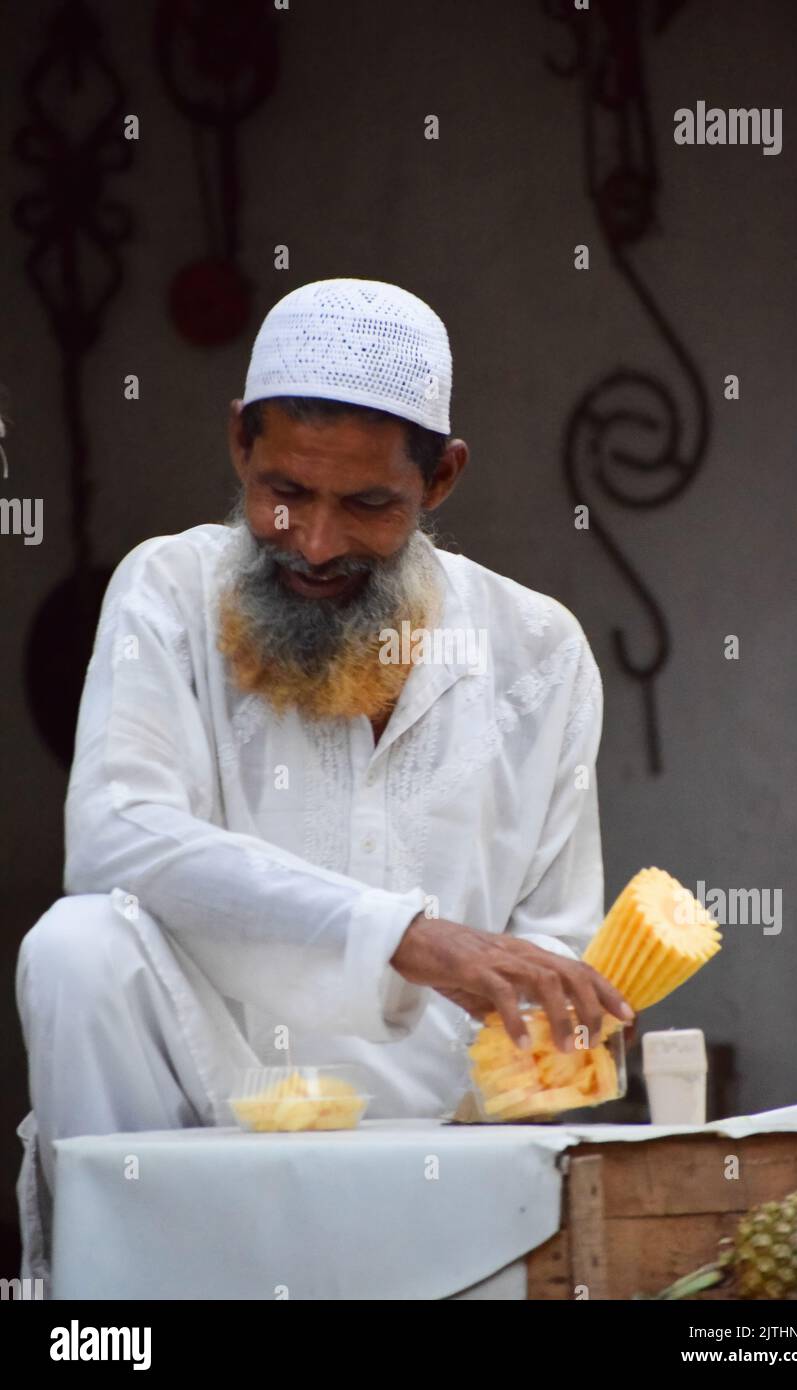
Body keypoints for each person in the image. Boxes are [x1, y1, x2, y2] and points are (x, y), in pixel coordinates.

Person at [14, 277, 634, 1292]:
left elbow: (551, 942)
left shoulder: (537, 652)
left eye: (367, 504)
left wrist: (564, 1018)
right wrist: (402, 933)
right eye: (283, 492)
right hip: (205, 1106)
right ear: (237, 446)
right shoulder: (166, 589)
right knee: (74, 948)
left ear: (440, 481)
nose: (312, 541)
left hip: (438, 1137)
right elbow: (115, 834)